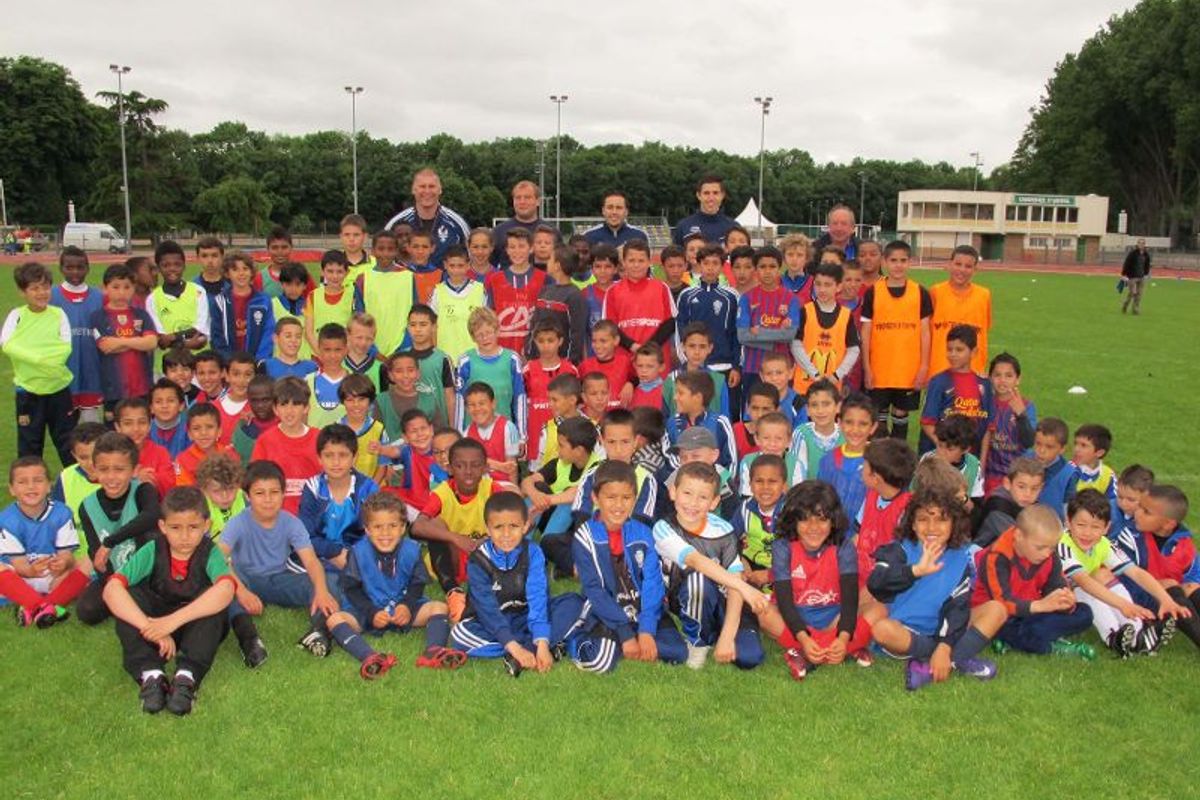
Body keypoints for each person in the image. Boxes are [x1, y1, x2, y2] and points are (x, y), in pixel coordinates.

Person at [101, 486, 237, 714]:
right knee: (129, 597)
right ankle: (151, 674)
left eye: (193, 527)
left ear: (207, 525)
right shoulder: (152, 549)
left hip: (193, 626)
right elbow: (111, 590)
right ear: (162, 527)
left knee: (214, 601)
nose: (184, 536)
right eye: (175, 528)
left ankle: (187, 677)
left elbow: (226, 589)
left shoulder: (210, 552)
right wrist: (151, 627)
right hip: (154, 626)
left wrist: (173, 621)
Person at [327, 491, 467, 679]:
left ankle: (434, 650)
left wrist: (407, 606)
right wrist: (371, 612)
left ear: (403, 527)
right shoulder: (357, 552)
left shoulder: (412, 549)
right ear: (367, 530)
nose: (385, 533)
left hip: (402, 609)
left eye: (392, 526)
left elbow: (417, 583)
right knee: (334, 619)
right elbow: (351, 589)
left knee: (439, 606)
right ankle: (371, 657)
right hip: (368, 611)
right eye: (378, 527)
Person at [867, 488, 996, 691]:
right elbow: (876, 583)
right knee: (882, 629)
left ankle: (940, 661)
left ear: (954, 524)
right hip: (906, 633)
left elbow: (958, 608)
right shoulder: (898, 549)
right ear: (912, 523)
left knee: (996, 610)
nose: (931, 527)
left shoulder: (961, 557)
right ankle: (957, 659)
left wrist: (945, 646)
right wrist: (915, 571)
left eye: (941, 520)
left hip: (946, 632)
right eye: (923, 519)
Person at [570, 460, 688, 672]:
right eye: (611, 497)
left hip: (641, 606)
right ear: (595, 498)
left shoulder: (643, 533)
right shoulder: (584, 537)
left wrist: (646, 630)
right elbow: (595, 591)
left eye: (626, 498)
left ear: (634, 499)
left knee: (678, 653)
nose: (618, 505)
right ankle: (577, 638)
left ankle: (630, 641)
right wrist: (625, 633)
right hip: (606, 608)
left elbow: (653, 582)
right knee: (600, 662)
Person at [450, 492, 585, 676]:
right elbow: (487, 609)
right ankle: (534, 647)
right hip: (490, 623)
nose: (506, 534)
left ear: (525, 526)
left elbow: (538, 597)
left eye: (513, 526)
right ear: (488, 529)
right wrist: (514, 647)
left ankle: (537, 646)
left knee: (575, 603)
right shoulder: (478, 561)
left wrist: (542, 642)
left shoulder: (533, 552)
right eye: (498, 527)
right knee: (460, 635)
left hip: (525, 617)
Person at [219, 460, 341, 657]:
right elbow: (218, 557)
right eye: (260, 493)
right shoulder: (238, 522)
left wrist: (321, 591)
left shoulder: (291, 522)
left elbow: (310, 561)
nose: (268, 499)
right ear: (247, 496)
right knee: (223, 585)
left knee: (331, 581)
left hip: (278, 579)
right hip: (246, 579)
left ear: (284, 494)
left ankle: (319, 631)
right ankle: (249, 639)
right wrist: (241, 592)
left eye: (274, 492)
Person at [653, 462, 767, 669]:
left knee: (749, 658)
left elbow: (734, 582)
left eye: (703, 497)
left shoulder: (724, 530)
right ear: (673, 492)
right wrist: (746, 588)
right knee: (698, 577)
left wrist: (727, 635)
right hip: (685, 598)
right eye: (687, 493)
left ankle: (718, 633)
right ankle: (698, 640)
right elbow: (695, 560)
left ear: (714, 502)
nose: (693, 503)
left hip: (724, 601)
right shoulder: (663, 528)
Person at [755, 480, 872, 680]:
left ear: (833, 520)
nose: (813, 527)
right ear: (793, 521)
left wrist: (843, 636)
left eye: (822, 519)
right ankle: (845, 648)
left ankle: (825, 650)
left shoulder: (843, 547)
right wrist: (804, 638)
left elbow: (850, 599)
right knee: (763, 613)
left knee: (878, 606)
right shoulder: (783, 547)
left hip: (835, 616)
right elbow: (784, 602)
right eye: (805, 520)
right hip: (796, 619)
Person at [1059, 489, 1189, 657]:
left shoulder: (1104, 544)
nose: (1087, 533)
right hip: (1054, 600)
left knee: (1104, 576)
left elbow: (1135, 572)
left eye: (1095, 526)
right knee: (1086, 587)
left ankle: (1136, 634)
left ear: (1107, 528)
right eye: (1081, 525)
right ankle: (1114, 636)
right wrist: (1123, 605)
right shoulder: (1063, 544)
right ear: (1068, 522)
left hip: (1075, 595)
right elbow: (1083, 581)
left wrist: (1165, 599)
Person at [970, 504, 1096, 659]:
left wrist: (1065, 600)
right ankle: (1051, 646)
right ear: (1018, 536)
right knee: (1014, 628)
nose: (1046, 554)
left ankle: (1028, 638)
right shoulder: (997, 557)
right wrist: (1041, 606)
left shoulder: (1049, 554)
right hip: (1000, 615)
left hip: (1032, 610)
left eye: (1052, 548)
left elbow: (1056, 585)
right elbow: (1002, 601)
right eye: (1040, 548)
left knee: (1085, 613)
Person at [411, 438, 510, 622]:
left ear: (485, 468)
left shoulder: (491, 489)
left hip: (481, 554)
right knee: (435, 525)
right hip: (452, 557)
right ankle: (453, 592)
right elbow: (417, 526)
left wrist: (487, 540)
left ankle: (496, 592)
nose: (468, 472)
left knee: (509, 533)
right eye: (460, 466)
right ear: (450, 469)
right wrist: (455, 538)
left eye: (475, 465)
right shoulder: (442, 492)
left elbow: (511, 523)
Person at [75, 433, 162, 625]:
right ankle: (127, 601)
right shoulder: (87, 506)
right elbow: (94, 552)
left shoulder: (143, 490)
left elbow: (152, 515)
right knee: (86, 610)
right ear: (94, 471)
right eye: (104, 469)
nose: (111, 477)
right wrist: (113, 584)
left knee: (151, 534)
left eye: (119, 469)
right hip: (115, 576)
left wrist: (110, 541)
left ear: (133, 470)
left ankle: (138, 598)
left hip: (148, 573)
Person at [0, 456, 89, 627]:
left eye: (38, 480)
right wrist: (30, 570)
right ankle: (45, 606)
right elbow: (18, 565)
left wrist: (62, 563)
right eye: (22, 482)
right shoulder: (6, 519)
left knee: (88, 562)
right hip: (19, 575)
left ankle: (29, 605)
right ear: (12, 489)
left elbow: (67, 555)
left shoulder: (62, 513)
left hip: (52, 575)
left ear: (49, 486)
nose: (31, 486)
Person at [1, 262, 76, 463]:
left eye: (45, 287)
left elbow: (64, 348)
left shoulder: (59, 314)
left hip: (59, 390)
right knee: (29, 446)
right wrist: (39, 358)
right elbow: (8, 345)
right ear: (22, 292)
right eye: (34, 288)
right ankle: (30, 490)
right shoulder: (17, 316)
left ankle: (75, 488)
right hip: (28, 392)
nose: (41, 292)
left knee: (68, 444)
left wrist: (33, 356)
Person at [1113, 484, 1200, 653]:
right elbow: (1124, 581)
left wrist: (1186, 587)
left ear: (1168, 524)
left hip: (1170, 597)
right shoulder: (1129, 537)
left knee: (1192, 586)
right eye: (1140, 507)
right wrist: (1161, 587)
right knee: (1169, 584)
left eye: (1146, 512)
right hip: (1135, 599)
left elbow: (1193, 576)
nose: (1137, 513)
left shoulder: (1184, 543)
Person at [860, 240, 932, 441]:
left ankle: (899, 462)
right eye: (893, 260)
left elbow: (925, 333)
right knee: (878, 420)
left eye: (903, 260)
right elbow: (865, 333)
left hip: (907, 371)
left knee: (901, 415)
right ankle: (879, 464)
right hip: (879, 370)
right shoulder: (873, 292)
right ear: (885, 261)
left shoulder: (920, 293)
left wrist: (923, 367)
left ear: (910, 262)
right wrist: (867, 368)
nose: (898, 265)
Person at [523, 416, 599, 577]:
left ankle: (542, 552)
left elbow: (577, 492)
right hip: (551, 515)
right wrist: (536, 495)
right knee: (537, 488)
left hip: (578, 527)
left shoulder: (598, 467)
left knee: (570, 503)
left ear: (578, 450)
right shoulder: (559, 463)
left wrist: (545, 501)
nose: (558, 450)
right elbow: (527, 482)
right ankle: (523, 548)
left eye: (562, 446)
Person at [297, 424, 380, 571]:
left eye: (343, 455)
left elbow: (377, 532)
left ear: (354, 457)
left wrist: (351, 556)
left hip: (358, 553)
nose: (336, 462)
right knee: (300, 568)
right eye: (329, 456)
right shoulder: (313, 488)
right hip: (321, 553)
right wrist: (335, 553)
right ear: (319, 459)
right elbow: (305, 535)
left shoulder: (368, 489)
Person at [92, 263, 158, 424]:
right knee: (114, 436)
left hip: (141, 387)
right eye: (116, 287)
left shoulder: (141, 314)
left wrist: (119, 341)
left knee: (141, 431)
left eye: (127, 287)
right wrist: (137, 341)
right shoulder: (98, 317)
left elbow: (151, 342)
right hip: (113, 389)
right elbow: (106, 347)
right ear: (105, 288)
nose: (122, 292)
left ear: (133, 288)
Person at [918, 324, 993, 457]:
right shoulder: (938, 382)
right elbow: (927, 422)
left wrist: (982, 461)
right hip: (941, 458)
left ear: (974, 352)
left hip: (970, 458)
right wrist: (946, 449)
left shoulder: (984, 385)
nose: (953, 354)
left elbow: (988, 427)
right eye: (949, 349)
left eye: (959, 350)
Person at [249, 377, 321, 515]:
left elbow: (327, 479)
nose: (289, 411)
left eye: (296, 404)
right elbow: (256, 480)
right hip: (276, 517)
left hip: (312, 516)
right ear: (275, 409)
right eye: (283, 404)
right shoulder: (265, 441)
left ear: (306, 408)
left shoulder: (319, 439)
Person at [50, 246, 104, 423]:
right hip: (63, 374)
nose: (75, 272)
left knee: (90, 430)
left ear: (88, 268)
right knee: (66, 431)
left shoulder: (99, 296)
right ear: (61, 268)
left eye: (80, 267)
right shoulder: (52, 296)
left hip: (92, 373)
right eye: (69, 267)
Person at [455, 307, 526, 437]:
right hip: (473, 433)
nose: (485, 338)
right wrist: (459, 434)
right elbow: (460, 400)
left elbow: (519, 398)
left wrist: (521, 434)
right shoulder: (465, 361)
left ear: (498, 331)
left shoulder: (512, 359)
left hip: (504, 432)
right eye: (480, 335)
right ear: (473, 337)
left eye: (489, 333)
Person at [790, 261, 859, 395]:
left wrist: (837, 376)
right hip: (804, 389)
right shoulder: (804, 311)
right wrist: (814, 374)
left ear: (838, 287)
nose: (822, 289)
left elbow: (854, 349)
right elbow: (795, 345)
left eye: (827, 285)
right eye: (818, 284)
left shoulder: (846, 315)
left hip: (831, 389)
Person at [854, 437, 918, 582]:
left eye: (864, 465)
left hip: (883, 582)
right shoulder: (872, 495)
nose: (861, 468)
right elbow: (858, 534)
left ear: (875, 478)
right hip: (860, 574)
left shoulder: (907, 508)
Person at [603, 239, 676, 365]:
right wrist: (631, 345)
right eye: (631, 260)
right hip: (625, 359)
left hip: (656, 360)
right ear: (624, 262)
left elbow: (670, 322)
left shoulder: (661, 288)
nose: (636, 265)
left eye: (641, 261)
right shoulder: (612, 291)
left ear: (649, 262)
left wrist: (649, 347)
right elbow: (610, 326)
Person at [382, 168, 471, 267]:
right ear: (413, 190)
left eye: (432, 186)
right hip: (405, 282)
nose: (427, 191)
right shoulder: (396, 224)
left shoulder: (457, 224)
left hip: (445, 282)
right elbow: (381, 259)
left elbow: (471, 260)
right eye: (422, 186)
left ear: (440, 190)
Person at [928, 245, 992, 375]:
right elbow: (926, 332)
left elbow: (985, 329)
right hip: (940, 370)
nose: (962, 270)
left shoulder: (984, 295)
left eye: (968, 266)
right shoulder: (936, 292)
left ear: (975, 269)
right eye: (958, 264)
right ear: (950, 265)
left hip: (972, 371)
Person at [145, 240, 210, 369]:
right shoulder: (153, 299)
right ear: (158, 268)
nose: (172, 269)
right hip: (169, 365)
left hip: (200, 365)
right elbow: (162, 340)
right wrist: (186, 342)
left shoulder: (198, 291)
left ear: (184, 266)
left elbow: (200, 330)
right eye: (166, 265)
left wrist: (174, 337)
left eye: (177, 264)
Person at [523, 319, 579, 464]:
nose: (546, 345)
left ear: (560, 341)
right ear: (534, 341)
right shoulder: (528, 370)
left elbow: (577, 405)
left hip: (565, 436)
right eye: (541, 341)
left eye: (550, 340)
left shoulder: (570, 370)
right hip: (537, 435)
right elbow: (521, 404)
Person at [485, 227, 547, 354]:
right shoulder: (494, 280)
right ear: (507, 250)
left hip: (534, 352)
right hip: (502, 351)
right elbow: (489, 319)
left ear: (531, 249)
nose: (517, 251)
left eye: (521, 246)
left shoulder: (545, 279)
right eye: (512, 247)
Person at [354, 230, 415, 357]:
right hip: (370, 347)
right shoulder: (363, 279)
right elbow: (359, 316)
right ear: (373, 251)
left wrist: (405, 343)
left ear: (396, 251)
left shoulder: (408, 277)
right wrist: (372, 348)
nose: (385, 253)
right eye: (381, 249)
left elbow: (415, 313)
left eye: (390, 249)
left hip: (402, 347)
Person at [816, 393, 877, 518]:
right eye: (849, 422)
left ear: (873, 427)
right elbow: (820, 499)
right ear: (839, 423)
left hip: (868, 532)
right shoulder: (828, 461)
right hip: (833, 531)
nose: (855, 430)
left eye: (863, 424)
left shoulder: (879, 462)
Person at [525, 245, 589, 365]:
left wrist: (569, 363)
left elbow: (577, 334)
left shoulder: (574, 295)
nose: (547, 262)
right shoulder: (544, 290)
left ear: (557, 266)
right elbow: (534, 325)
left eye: (550, 259)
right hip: (538, 362)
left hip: (562, 364)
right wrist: (529, 353)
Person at [984, 353, 1036, 494]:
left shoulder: (1026, 406)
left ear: (1017, 379)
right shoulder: (985, 404)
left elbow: (1029, 441)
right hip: (991, 475)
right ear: (990, 378)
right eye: (997, 375)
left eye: (1008, 376)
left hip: (1018, 476)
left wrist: (1021, 415)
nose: (1002, 381)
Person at [664, 371, 737, 472]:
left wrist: (716, 484)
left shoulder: (720, 423)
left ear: (698, 397)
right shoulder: (672, 423)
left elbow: (731, 462)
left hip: (714, 484)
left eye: (680, 393)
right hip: (683, 483)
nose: (675, 397)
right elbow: (668, 458)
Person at [209, 252, 275, 362]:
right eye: (235, 270)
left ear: (252, 272)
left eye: (245, 269)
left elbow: (268, 333)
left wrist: (259, 360)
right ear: (227, 273)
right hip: (229, 364)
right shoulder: (219, 302)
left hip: (256, 362)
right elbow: (217, 336)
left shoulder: (263, 301)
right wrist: (229, 361)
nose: (241, 273)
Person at [428, 244, 485, 362]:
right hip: (446, 356)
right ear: (445, 265)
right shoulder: (438, 291)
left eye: (460, 266)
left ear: (468, 265)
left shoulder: (479, 289)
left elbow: (486, 323)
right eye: (452, 266)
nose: (456, 270)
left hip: (473, 355)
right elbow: (432, 326)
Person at [665, 323, 731, 418]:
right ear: (683, 347)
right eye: (692, 346)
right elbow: (665, 417)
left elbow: (725, 416)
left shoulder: (719, 381)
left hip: (710, 432)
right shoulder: (671, 380)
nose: (697, 352)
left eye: (702, 346)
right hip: (679, 432)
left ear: (710, 348)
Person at [975, 457, 1045, 547]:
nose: (1028, 494)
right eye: (1021, 487)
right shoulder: (998, 508)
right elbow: (1020, 542)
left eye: (1034, 489)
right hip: (983, 556)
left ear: (1041, 488)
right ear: (1007, 484)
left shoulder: (1033, 505)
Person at [406, 305, 457, 429]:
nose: (417, 329)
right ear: (407, 328)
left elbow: (450, 397)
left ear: (434, 327)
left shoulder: (443, 359)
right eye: (413, 325)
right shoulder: (401, 359)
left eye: (423, 324)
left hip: (438, 428)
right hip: (409, 429)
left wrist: (452, 428)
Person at [113, 398, 176, 499]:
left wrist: (151, 478)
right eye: (128, 423)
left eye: (142, 422)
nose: (136, 428)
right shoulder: (110, 454)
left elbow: (170, 483)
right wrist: (133, 479)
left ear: (150, 425)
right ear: (118, 427)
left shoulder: (160, 452)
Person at [462, 382, 521, 484]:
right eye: (472, 405)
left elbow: (511, 469)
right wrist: (499, 466)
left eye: (482, 403)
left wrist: (514, 492)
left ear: (493, 404)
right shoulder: (466, 434)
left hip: (503, 484)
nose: (477, 409)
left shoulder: (508, 428)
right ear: (467, 409)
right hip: (478, 485)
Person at [490, 180, 559, 267]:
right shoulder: (498, 232)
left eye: (527, 197)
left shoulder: (551, 232)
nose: (522, 202)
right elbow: (490, 267)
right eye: (518, 198)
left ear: (538, 201)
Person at [52, 422, 105, 530]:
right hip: (76, 546)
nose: (91, 463)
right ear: (74, 455)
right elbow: (54, 520)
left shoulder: (124, 478)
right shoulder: (65, 478)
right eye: (83, 457)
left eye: (96, 455)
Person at [789, 379, 844, 482]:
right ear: (807, 410)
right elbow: (796, 475)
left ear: (838, 407)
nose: (820, 410)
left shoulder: (846, 434)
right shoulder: (802, 434)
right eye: (814, 405)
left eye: (826, 404)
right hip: (809, 494)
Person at [304, 251, 356, 356]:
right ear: (323, 272)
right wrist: (321, 354)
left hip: (344, 356)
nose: (335, 276)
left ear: (347, 272)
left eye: (339, 271)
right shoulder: (313, 296)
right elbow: (308, 332)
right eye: (330, 271)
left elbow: (355, 330)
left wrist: (343, 353)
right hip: (319, 357)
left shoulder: (353, 294)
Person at [337, 375, 387, 480]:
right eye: (350, 400)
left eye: (361, 399)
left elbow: (382, 467)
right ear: (342, 401)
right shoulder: (334, 430)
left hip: (372, 491)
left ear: (370, 400)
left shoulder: (379, 430)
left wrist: (369, 490)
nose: (356, 405)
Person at [578, 321, 635, 409]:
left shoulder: (625, 362)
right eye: (594, 341)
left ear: (616, 340)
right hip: (593, 420)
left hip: (618, 418)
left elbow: (638, 378)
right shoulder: (584, 366)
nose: (598, 346)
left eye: (603, 341)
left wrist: (631, 384)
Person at [306, 323, 350, 430]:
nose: (332, 356)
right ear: (319, 349)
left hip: (346, 444)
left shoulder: (354, 382)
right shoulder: (308, 381)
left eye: (338, 350)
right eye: (327, 350)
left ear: (346, 349)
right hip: (315, 445)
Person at [672, 175, 737, 246]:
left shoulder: (733, 227)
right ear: (698, 195)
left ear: (722, 195)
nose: (711, 198)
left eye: (715, 193)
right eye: (706, 193)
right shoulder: (683, 226)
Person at [194, 452, 247, 540]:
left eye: (231, 489)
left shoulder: (248, 501)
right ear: (204, 490)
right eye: (217, 491)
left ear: (238, 485)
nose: (225, 496)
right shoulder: (199, 510)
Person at [1032, 417, 1077, 515]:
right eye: (1038, 444)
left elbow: (1069, 511)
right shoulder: (1025, 460)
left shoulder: (1068, 475)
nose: (1041, 450)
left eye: (1049, 447)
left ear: (1062, 449)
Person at [230, 376, 276, 464]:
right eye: (254, 400)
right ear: (248, 401)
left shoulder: (285, 428)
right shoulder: (243, 432)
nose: (260, 405)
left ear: (275, 399)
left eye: (265, 400)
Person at [583, 190, 649, 248]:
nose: (614, 212)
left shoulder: (639, 236)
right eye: (610, 207)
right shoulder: (589, 236)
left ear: (626, 212)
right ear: (603, 211)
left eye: (619, 208)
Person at [1072, 423, 1117, 501]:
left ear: (1099, 453)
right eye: (1076, 444)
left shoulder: (1108, 476)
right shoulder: (1067, 471)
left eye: (1083, 445)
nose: (1076, 449)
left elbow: (1114, 503)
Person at [338, 214, 375, 285]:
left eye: (356, 235)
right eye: (347, 235)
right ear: (341, 236)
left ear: (365, 236)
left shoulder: (375, 265)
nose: (351, 239)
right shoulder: (332, 265)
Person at [1120, 237, 1151, 314]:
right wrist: (1124, 274)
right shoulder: (1133, 254)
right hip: (1132, 277)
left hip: (1141, 277)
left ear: (1144, 245)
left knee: (1139, 294)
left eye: (1143, 243)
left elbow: (1147, 265)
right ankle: (1125, 305)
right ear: (1137, 244)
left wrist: (1146, 274)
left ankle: (1135, 309)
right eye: (1140, 243)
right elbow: (1127, 264)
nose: (1141, 244)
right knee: (1132, 293)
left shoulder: (1146, 254)